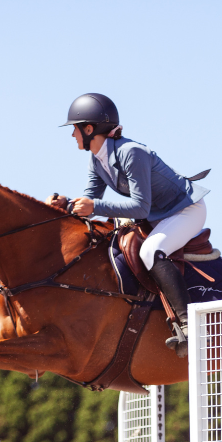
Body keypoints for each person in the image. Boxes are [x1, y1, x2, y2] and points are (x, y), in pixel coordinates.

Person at [45, 93, 209, 356]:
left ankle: (191, 326)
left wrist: (94, 207)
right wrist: (65, 205)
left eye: (74, 129)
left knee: (150, 251)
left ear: (89, 129)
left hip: (185, 209)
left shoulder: (130, 152)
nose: (72, 135)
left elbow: (139, 207)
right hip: (158, 215)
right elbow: (90, 199)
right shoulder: (96, 159)